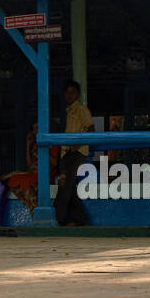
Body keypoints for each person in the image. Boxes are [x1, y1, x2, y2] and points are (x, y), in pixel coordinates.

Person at [53, 80, 93, 227]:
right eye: (67, 92)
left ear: (77, 94)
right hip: (66, 153)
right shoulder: (67, 111)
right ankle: (82, 221)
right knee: (69, 187)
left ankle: (57, 219)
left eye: (73, 92)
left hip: (76, 153)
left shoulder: (81, 109)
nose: (69, 95)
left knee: (64, 186)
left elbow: (91, 129)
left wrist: (77, 145)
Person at [4, 120, 58, 211]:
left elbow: (54, 163)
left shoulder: (52, 144)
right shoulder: (33, 146)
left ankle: (36, 208)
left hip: (46, 174)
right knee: (14, 179)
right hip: (33, 173)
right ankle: (33, 207)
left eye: (38, 128)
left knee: (26, 181)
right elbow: (30, 165)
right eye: (34, 129)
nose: (36, 131)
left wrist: (43, 149)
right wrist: (28, 146)